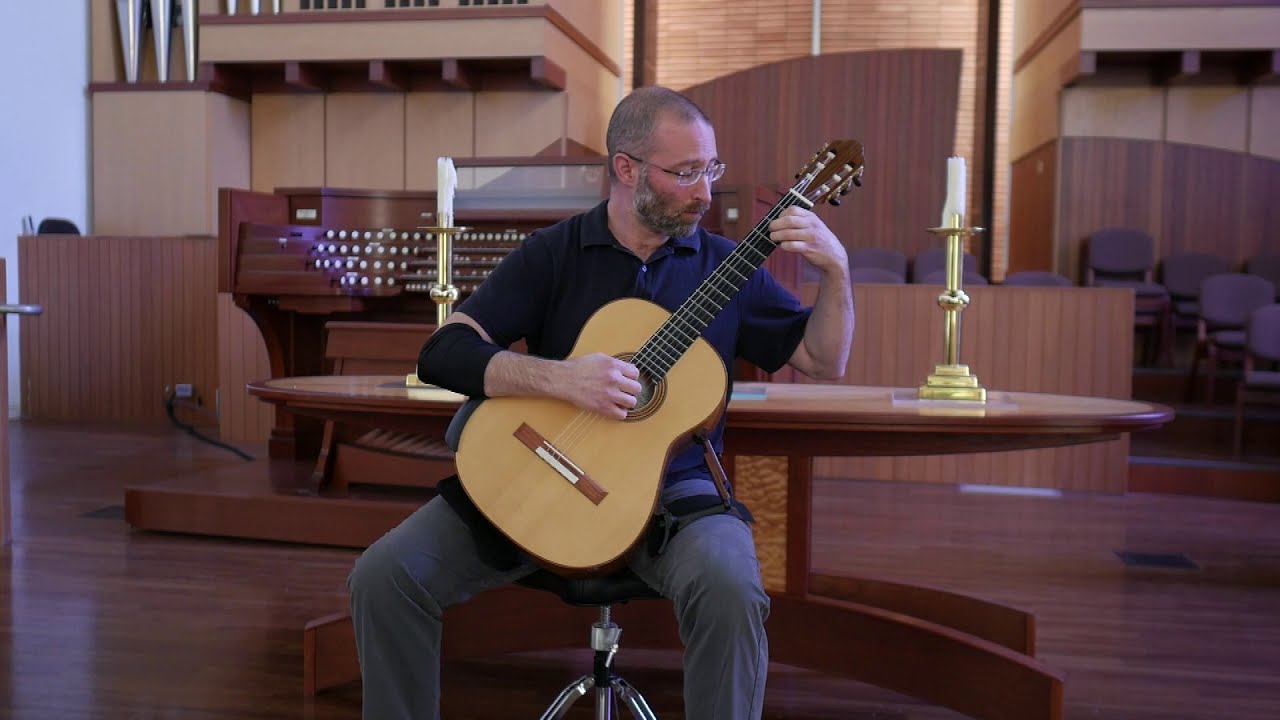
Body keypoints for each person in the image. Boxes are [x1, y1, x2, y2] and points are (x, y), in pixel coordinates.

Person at [347, 85, 855, 720]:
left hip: (676, 498)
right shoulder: (554, 252)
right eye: (685, 172)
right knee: (384, 576)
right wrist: (561, 380)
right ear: (626, 169)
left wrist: (836, 272)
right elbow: (443, 352)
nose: (705, 191)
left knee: (731, 587)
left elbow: (821, 358)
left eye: (711, 169)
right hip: (544, 470)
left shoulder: (729, 268)